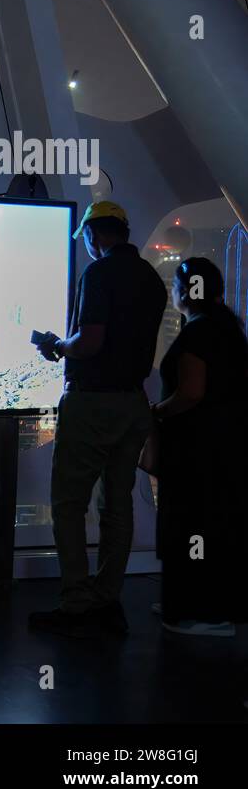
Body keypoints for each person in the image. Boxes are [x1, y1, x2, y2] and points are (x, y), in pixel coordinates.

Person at [29, 201, 168, 638]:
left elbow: (89, 342)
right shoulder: (151, 279)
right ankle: (108, 598)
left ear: (93, 234)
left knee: (69, 504)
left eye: (87, 237)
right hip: (133, 403)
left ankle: (76, 602)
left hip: (93, 404)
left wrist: (58, 346)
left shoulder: (99, 274)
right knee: (117, 504)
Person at [150, 258, 248, 636]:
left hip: (196, 449)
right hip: (226, 448)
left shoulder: (197, 333)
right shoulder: (229, 329)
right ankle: (211, 603)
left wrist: (158, 411)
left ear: (185, 290)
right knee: (215, 526)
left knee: (191, 525)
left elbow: (191, 391)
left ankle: (201, 612)